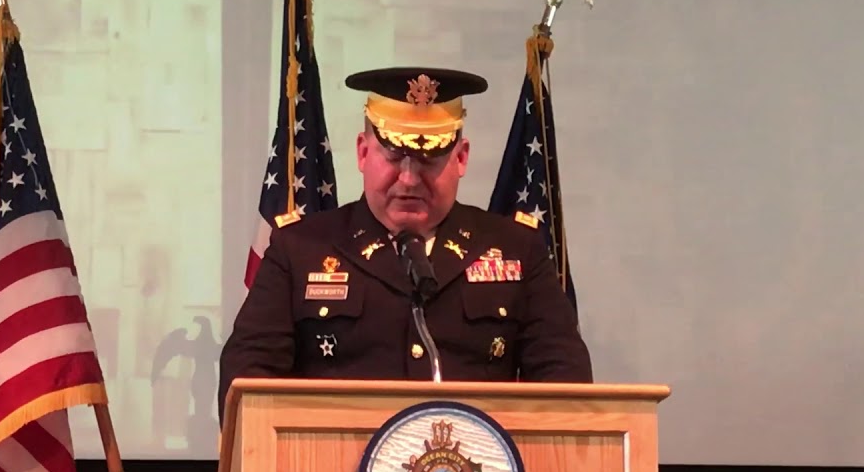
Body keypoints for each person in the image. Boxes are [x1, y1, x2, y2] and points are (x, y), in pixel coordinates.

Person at [218, 66, 592, 420]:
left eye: (430, 159)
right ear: (363, 152)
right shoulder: (301, 248)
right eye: (395, 156)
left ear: (461, 158)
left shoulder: (516, 249)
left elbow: (565, 382)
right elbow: (248, 378)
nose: (410, 179)